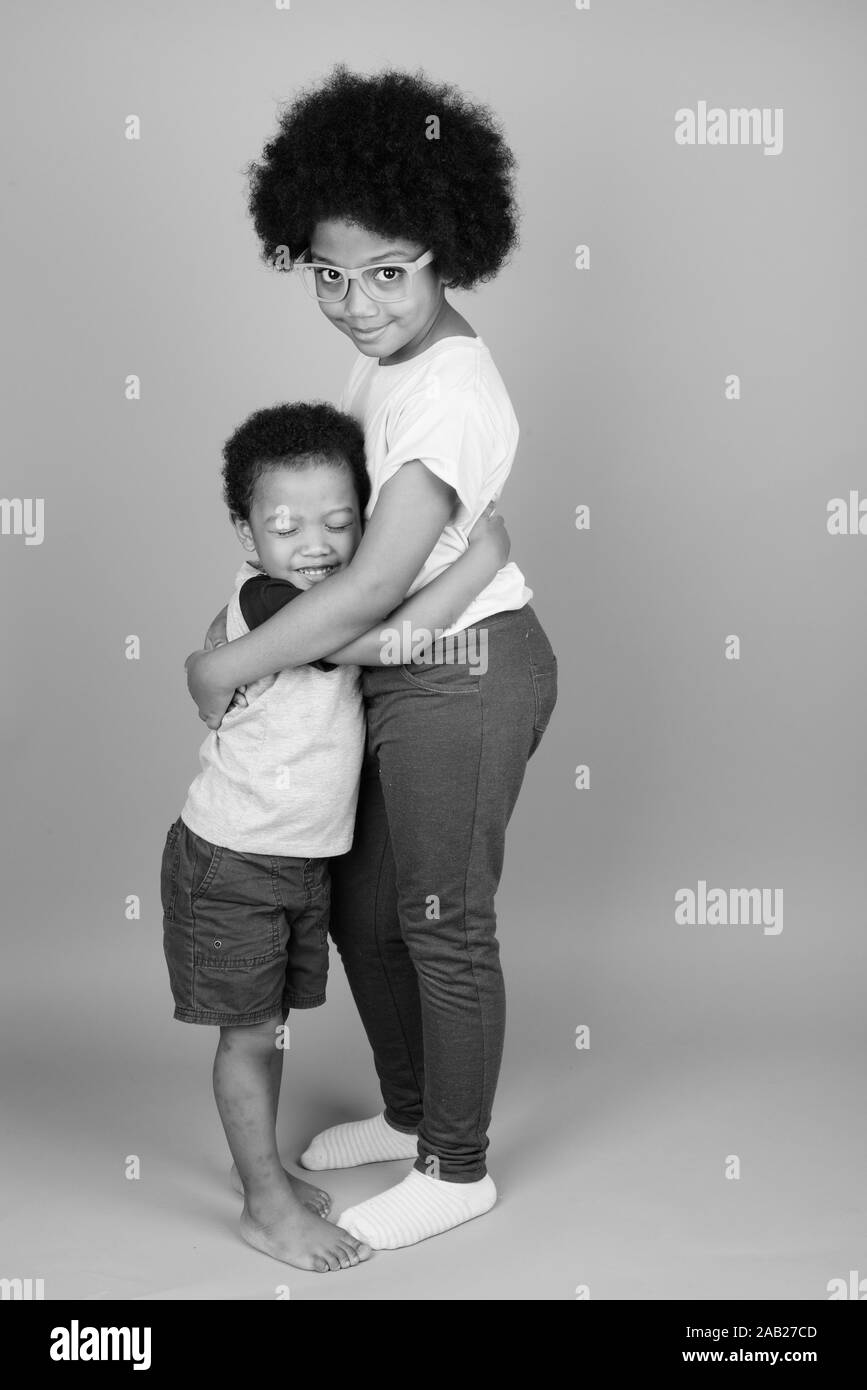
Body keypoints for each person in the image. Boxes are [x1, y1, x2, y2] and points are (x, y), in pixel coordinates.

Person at [186, 66, 558, 1250]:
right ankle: (414, 1113)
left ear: (448, 251)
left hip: (469, 670)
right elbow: (345, 568)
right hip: (395, 667)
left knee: (443, 919)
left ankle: (459, 1167)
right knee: (363, 903)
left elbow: (372, 582)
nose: (355, 302)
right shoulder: (387, 359)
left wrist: (219, 670)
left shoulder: (450, 389)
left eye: (387, 271)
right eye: (329, 274)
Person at [166, 399, 508, 1271]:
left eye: (340, 523)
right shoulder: (275, 603)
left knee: (269, 1028)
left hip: (294, 863)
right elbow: (389, 639)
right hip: (233, 862)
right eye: (285, 526)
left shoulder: (304, 597)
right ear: (247, 536)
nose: (314, 544)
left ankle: (265, 1176)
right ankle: (264, 1206)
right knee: (249, 1036)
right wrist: (482, 564)